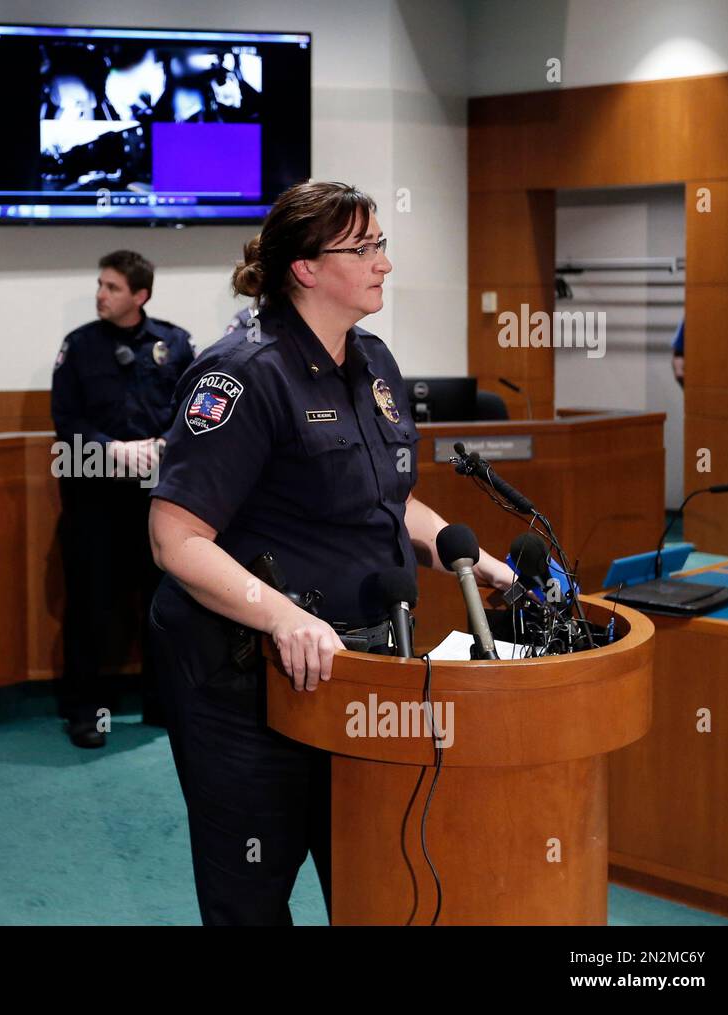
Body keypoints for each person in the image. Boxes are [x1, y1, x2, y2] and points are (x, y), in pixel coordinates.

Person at [146, 181, 515, 925]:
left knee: (375, 875)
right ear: (306, 269)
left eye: (382, 243)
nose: (384, 262)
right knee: (251, 894)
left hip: (363, 672)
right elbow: (175, 536)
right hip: (247, 681)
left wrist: (456, 550)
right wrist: (282, 617)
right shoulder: (243, 374)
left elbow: (383, 496)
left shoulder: (373, 361)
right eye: (366, 247)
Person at [50, 250, 194, 748]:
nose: (100, 295)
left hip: (160, 498)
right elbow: (66, 422)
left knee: (166, 602)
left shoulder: (175, 344)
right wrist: (112, 450)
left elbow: (194, 412)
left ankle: (163, 703)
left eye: (112, 287)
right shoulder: (79, 346)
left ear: (140, 295)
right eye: (100, 285)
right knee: (92, 604)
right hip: (95, 499)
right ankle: (85, 712)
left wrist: (160, 446)